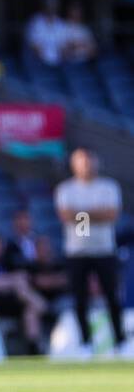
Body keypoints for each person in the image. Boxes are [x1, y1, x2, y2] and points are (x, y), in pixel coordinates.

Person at [54, 148, 129, 356]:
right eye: (81, 162)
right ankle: (86, 343)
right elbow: (66, 215)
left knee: (112, 297)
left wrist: (82, 213)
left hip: (104, 250)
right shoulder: (66, 189)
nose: (86, 166)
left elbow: (111, 214)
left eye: (89, 162)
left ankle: (120, 342)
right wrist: (94, 213)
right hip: (77, 251)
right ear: (74, 165)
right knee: (80, 299)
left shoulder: (108, 187)